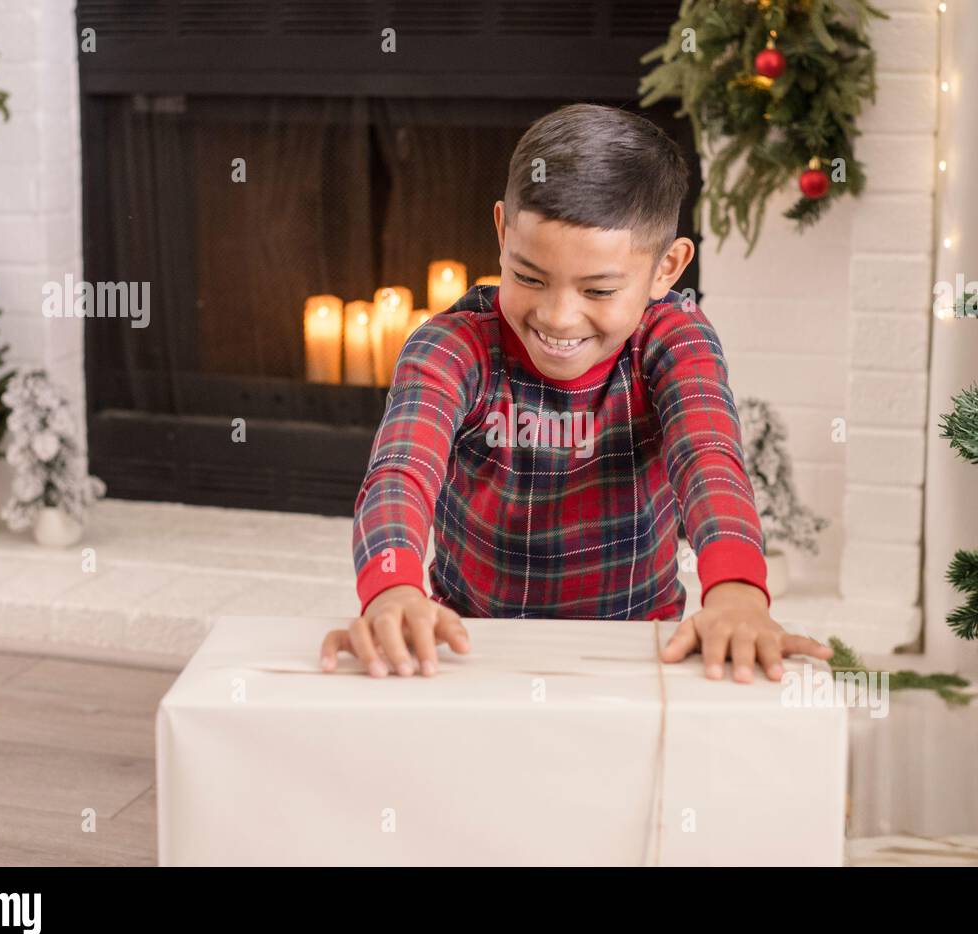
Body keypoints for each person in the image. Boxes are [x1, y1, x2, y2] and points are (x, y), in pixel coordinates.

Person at [322, 103, 831, 682]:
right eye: (529, 277)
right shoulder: (449, 347)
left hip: (642, 651)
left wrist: (738, 594)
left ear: (667, 267)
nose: (558, 317)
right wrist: (391, 588)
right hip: (470, 644)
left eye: (598, 289)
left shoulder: (675, 339)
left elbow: (709, 459)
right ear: (501, 232)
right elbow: (399, 474)